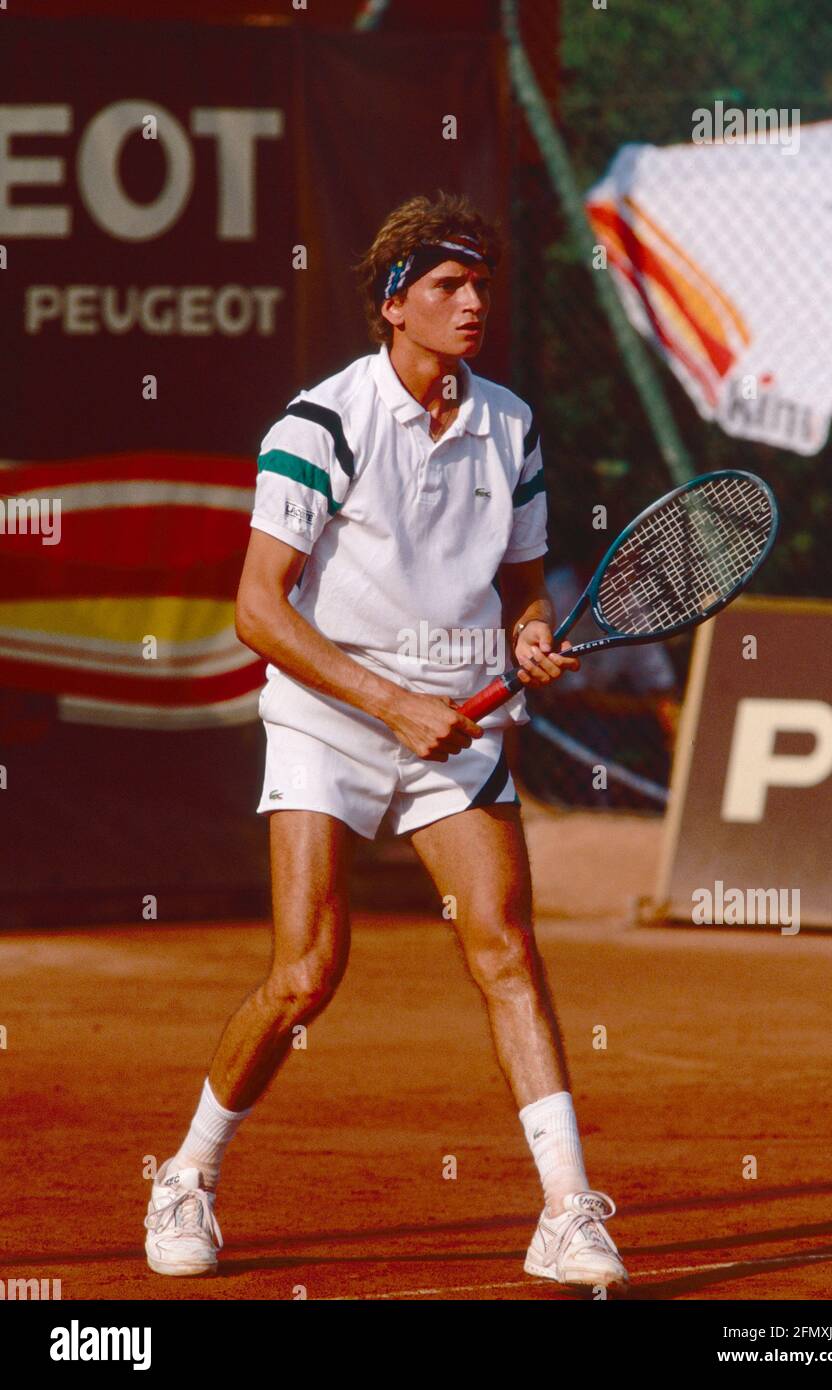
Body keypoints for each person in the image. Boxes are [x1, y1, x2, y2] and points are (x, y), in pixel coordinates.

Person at [143, 192, 629, 1294]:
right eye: (449, 287)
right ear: (392, 302)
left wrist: (535, 632)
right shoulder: (319, 425)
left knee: (505, 949)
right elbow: (259, 611)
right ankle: (188, 1174)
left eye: (482, 285)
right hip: (329, 716)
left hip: (457, 725)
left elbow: (519, 587)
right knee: (307, 973)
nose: (472, 305)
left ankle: (564, 1210)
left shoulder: (509, 424)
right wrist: (387, 700)